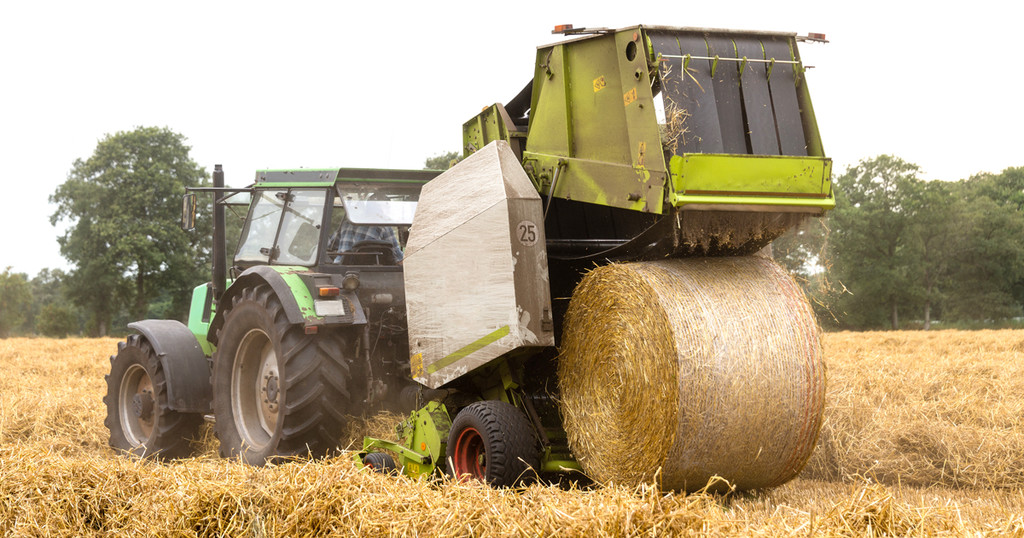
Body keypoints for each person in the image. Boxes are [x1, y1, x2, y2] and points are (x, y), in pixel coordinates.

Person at [328, 215, 404, 263]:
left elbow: (330, 245)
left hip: (340, 268)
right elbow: (397, 257)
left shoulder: (347, 223)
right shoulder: (384, 226)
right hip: (371, 271)